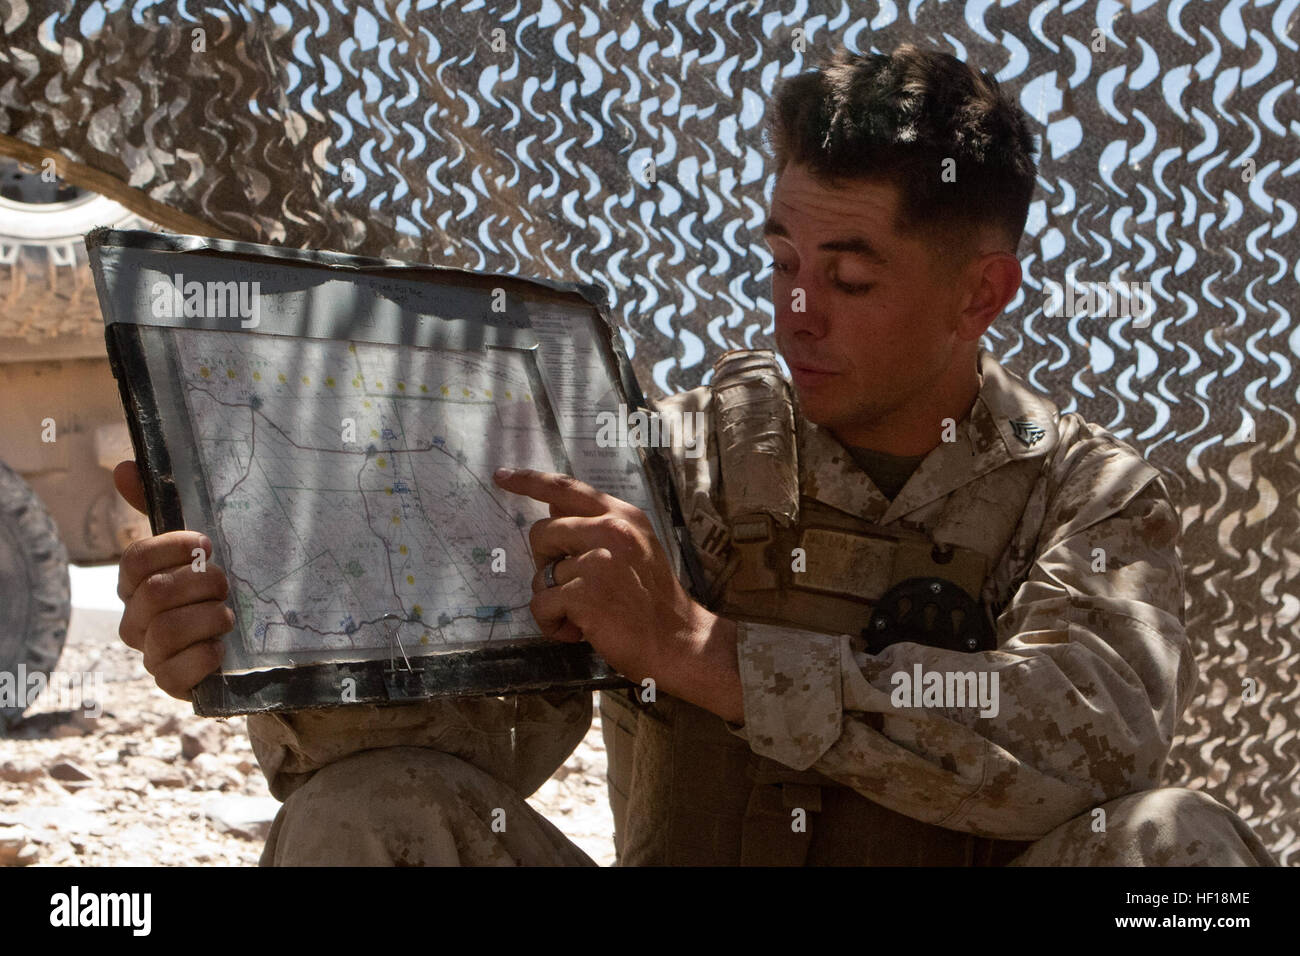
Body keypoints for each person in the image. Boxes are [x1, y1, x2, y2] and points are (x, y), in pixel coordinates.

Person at [112, 43, 1275, 866]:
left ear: (983, 291)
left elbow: (1070, 735)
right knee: (367, 808)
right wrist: (258, 642)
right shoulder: (672, 460)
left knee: (1176, 850)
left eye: (851, 277)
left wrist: (706, 652)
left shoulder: (1088, 494)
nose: (797, 310)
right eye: (782, 262)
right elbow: (484, 738)